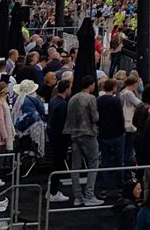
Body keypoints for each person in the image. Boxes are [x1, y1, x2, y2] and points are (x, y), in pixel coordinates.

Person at [65, 75, 103, 207]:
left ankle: (78, 197)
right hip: (88, 133)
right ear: (91, 85)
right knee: (93, 162)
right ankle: (89, 195)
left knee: (75, 166)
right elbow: (95, 117)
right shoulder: (91, 98)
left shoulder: (72, 98)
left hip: (74, 134)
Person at [97, 77, 126, 198]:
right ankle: (120, 187)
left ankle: (104, 188)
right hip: (117, 135)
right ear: (114, 88)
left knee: (105, 161)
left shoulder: (99, 100)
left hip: (103, 134)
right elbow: (120, 118)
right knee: (120, 161)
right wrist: (122, 131)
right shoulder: (116, 101)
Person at [48, 78, 72, 203]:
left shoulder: (53, 101)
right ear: (67, 89)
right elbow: (64, 123)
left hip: (53, 135)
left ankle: (52, 190)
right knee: (58, 163)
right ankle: (53, 191)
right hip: (60, 137)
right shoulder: (63, 105)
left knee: (56, 163)